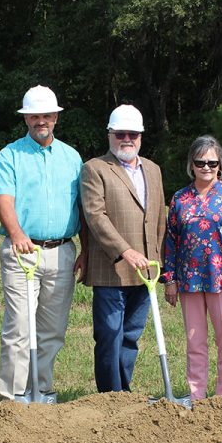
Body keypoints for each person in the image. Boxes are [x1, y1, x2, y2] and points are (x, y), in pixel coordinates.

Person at [0, 85, 84, 401]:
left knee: (52, 330)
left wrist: (83, 249)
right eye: (34, 116)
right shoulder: (10, 155)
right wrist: (17, 235)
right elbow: (4, 200)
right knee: (19, 327)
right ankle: (13, 396)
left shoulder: (72, 157)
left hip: (62, 252)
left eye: (46, 115)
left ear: (56, 117)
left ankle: (41, 389)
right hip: (22, 251)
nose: (40, 121)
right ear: (26, 119)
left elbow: (81, 207)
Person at [162, 135, 222, 399]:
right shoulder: (179, 199)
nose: (206, 167)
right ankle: (196, 397)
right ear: (191, 164)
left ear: (220, 165)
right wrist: (170, 279)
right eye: (200, 162)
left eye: (212, 163)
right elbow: (171, 239)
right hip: (189, 280)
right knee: (195, 344)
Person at [81, 104, 167, 393]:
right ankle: (109, 396)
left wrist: (158, 261)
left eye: (132, 134)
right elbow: (95, 216)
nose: (126, 139)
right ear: (110, 135)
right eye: (120, 134)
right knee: (109, 335)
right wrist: (124, 250)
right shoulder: (95, 169)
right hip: (112, 269)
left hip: (146, 272)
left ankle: (124, 392)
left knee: (130, 336)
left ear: (141, 136)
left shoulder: (153, 170)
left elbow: (159, 219)